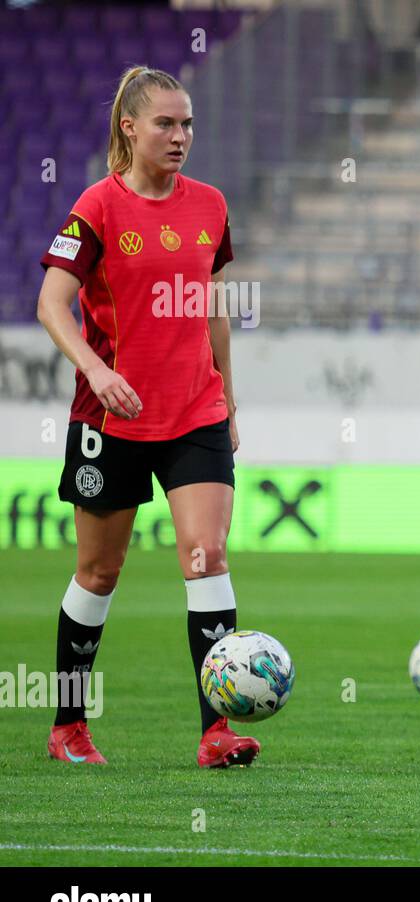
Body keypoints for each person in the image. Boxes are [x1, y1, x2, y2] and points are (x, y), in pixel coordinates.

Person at [36, 65, 259, 767]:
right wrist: (97, 372)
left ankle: (215, 732)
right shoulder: (98, 207)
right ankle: (68, 725)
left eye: (187, 123)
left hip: (194, 412)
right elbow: (51, 302)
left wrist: (227, 397)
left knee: (208, 556)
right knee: (100, 573)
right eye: (165, 123)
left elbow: (213, 307)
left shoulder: (212, 206)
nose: (180, 135)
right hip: (111, 421)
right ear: (129, 129)